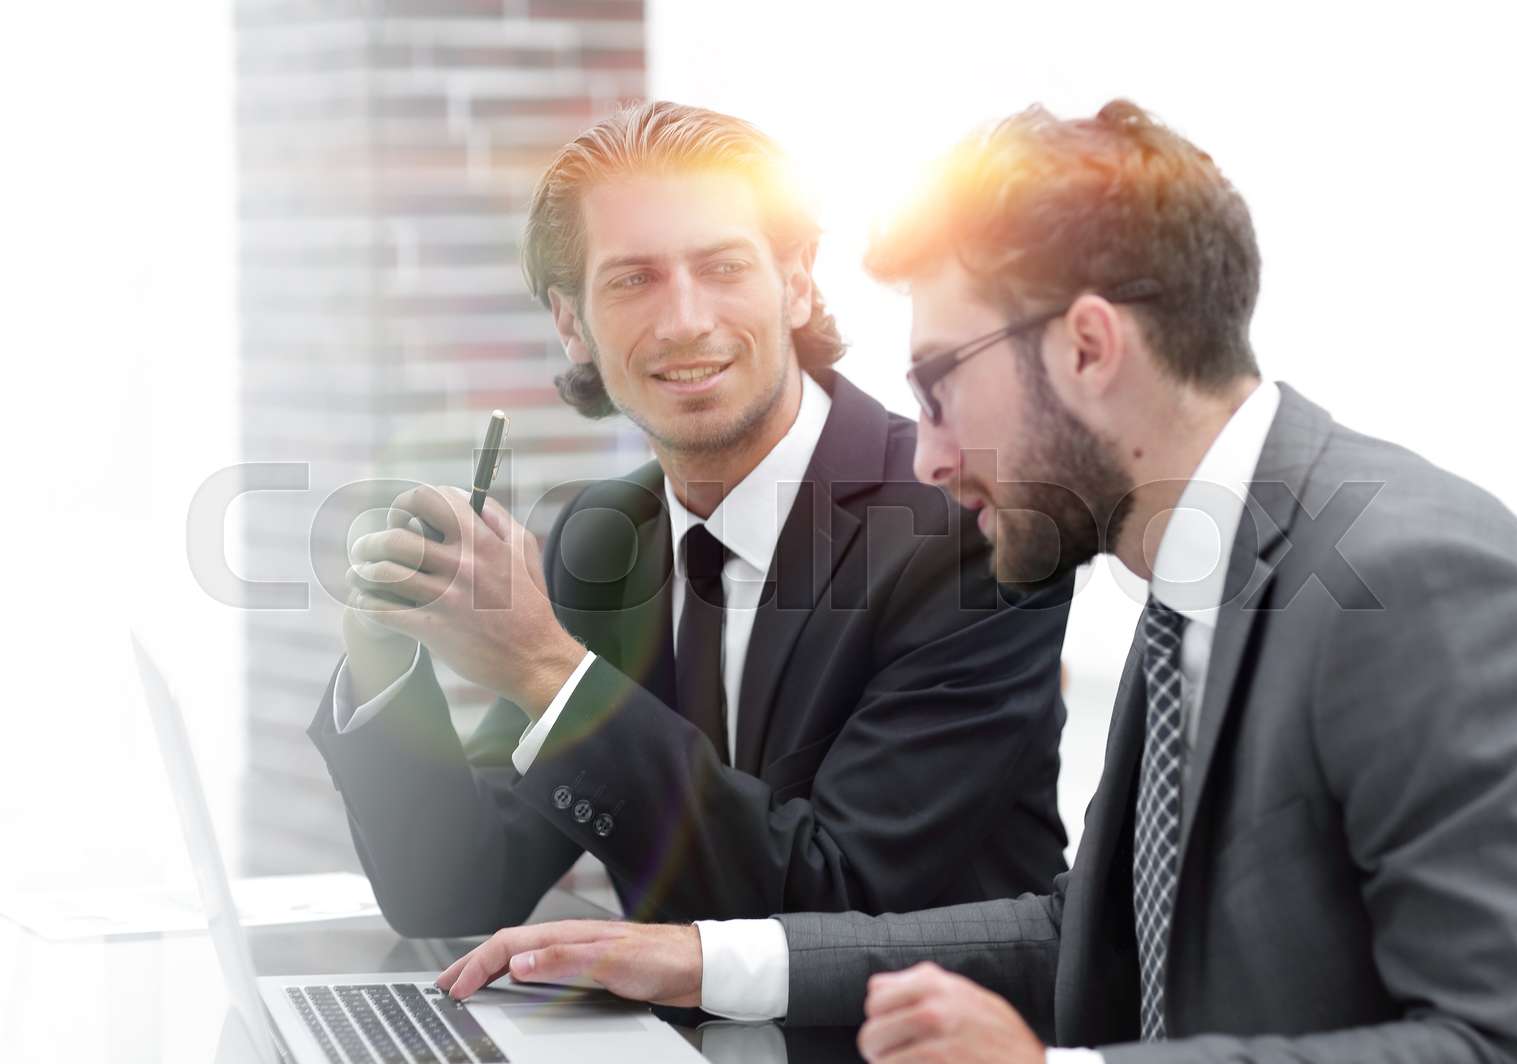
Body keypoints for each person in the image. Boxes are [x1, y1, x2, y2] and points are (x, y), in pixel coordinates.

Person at [435, 100, 1517, 1063]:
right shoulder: (1192, 590)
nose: (928, 456)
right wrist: (706, 958)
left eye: (939, 382)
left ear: (1088, 347)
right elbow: (1088, 933)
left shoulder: (1419, 586)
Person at [307, 101, 1075, 935]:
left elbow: (836, 894)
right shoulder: (603, 533)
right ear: (572, 325)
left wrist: (545, 669)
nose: (685, 321)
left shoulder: (966, 526)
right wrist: (380, 657)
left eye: (722, 267)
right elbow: (457, 891)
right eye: (634, 279)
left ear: (797, 283)